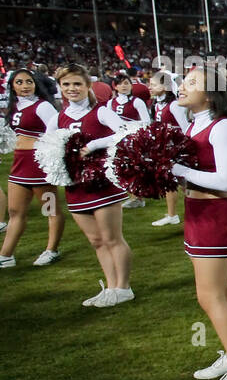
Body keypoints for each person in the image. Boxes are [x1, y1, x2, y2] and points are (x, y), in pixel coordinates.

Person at [166, 62, 227, 380]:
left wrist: (177, 168)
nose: (183, 86)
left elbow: (224, 180)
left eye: (193, 83)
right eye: (185, 81)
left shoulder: (219, 127)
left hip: (215, 214)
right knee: (223, 292)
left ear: (210, 93)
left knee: (210, 296)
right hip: (200, 211)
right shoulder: (196, 124)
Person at [55, 64, 134, 306]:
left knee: (112, 238)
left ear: (88, 86)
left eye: (77, 84)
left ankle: (124, 287)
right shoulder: (59, 116)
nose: (71, 89)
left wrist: (95, 145)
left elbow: (126, 130)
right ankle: (111, 287)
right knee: (96, 241)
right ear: (59, 87)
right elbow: (46, 145)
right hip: (75, 185)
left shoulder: (100, 111)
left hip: (102, 182)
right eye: (66, 84)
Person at [1, 68, 66, 268]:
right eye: (19, 82)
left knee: (50, 209)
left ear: (36, 83)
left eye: (29, 81)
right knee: (14, 211)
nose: (24, 86)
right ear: (12, 86)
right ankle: (6, 255)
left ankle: (51, 250)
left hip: (39, 165)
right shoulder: (14, 106)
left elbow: (57, 133)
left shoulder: (43, 106)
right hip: (19, 163)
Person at [108, 72, 152, 209]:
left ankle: (138, 197)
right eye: (120, 83)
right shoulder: (111, 103)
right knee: (122, 168)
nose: (124, 86)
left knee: (134, 167)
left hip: (133, 139)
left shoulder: (137, 101)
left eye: (126, 83)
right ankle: (133, 195)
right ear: (115, 86)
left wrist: (130, 129)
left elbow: (146, 122)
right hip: (118, 139)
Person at [149, 70, 181, 226]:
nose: (150, 87)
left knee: (182, 183)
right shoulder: (157, 104)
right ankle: (172, 214)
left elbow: (186, 127)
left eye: (154, 84)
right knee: (169, 181)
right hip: (165, 148)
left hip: (176, 148)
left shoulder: (174, 104)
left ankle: (176, 214)